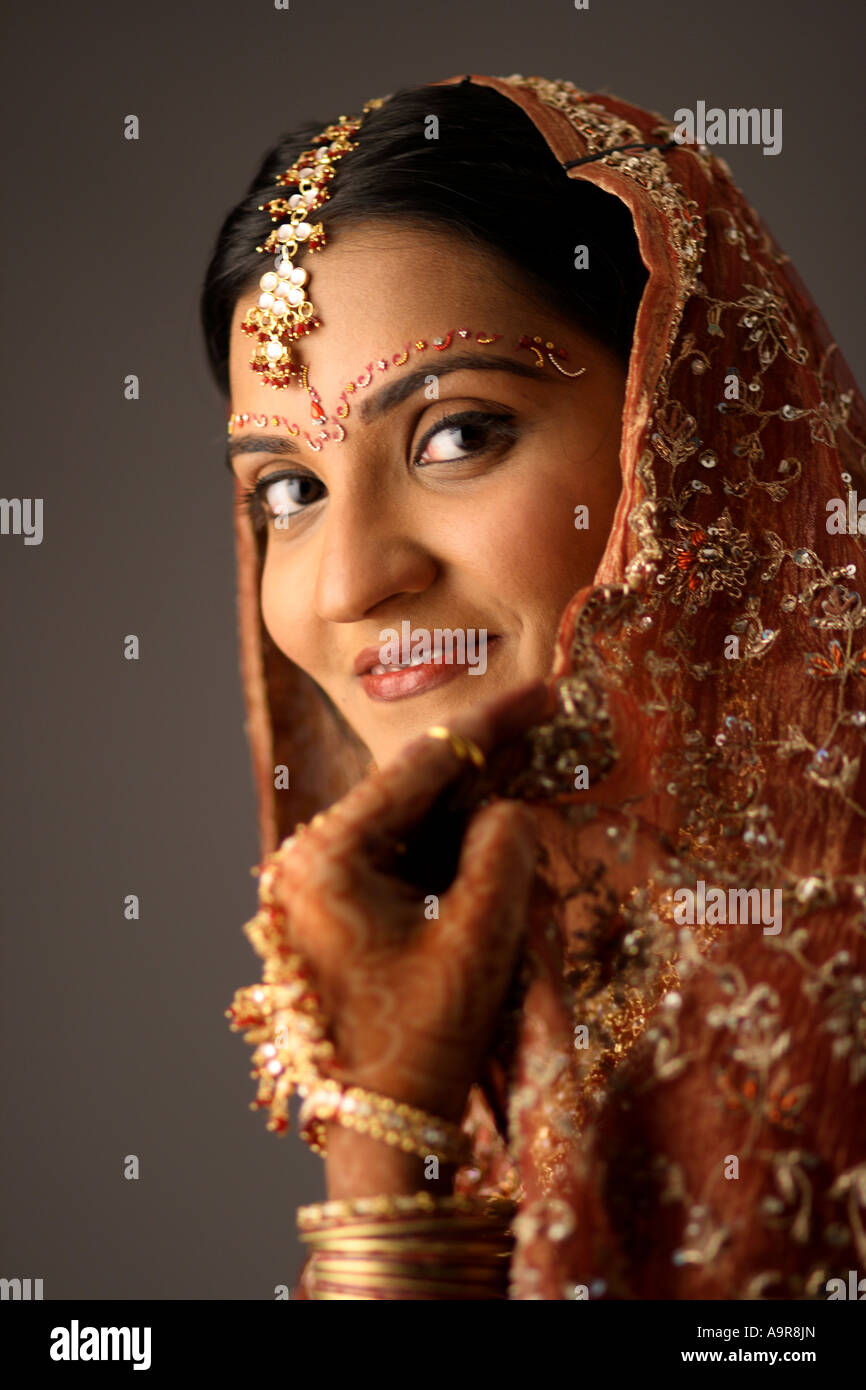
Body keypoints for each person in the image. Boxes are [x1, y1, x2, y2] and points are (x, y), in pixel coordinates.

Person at [200, 73, 866, 1301]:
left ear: (674, 433)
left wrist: (380, 1170)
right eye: (286, 491)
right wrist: (387, 1129)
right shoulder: (478, 991)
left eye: (457, 434)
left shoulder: (822, 1001)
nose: (349, 581)